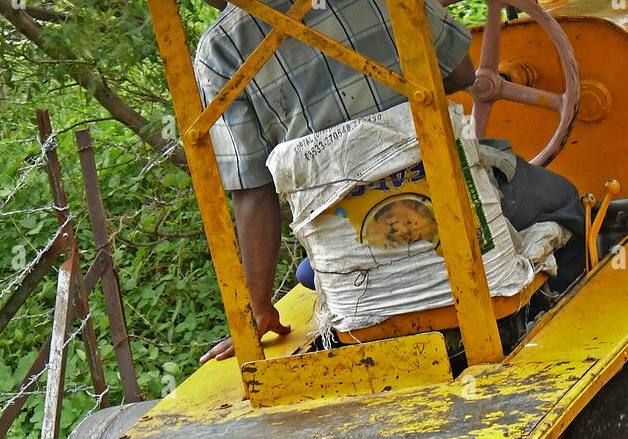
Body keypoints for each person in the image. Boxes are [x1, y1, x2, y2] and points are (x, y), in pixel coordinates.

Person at [194, 0, 584, 359]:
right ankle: (562, 332)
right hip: (453, 215)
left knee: (308, 275)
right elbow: (462, 73)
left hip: (357, 239)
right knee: (566, 197)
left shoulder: (219, 51)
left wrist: (259, 306)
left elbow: (253, 192)